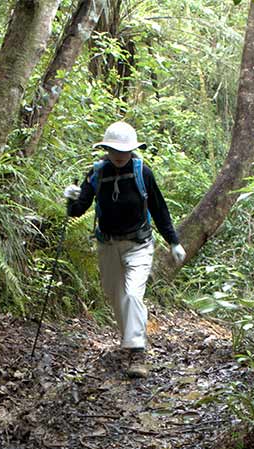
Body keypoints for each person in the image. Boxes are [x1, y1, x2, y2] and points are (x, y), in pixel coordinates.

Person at [63, 121, 186, 378]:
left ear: (132, 150)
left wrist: (173, 241)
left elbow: (159, 209)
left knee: (131, 295)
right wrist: (71, 198)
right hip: (107, 244)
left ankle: (136, 352)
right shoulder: (97, 172)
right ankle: (130, 338)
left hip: (139, 244)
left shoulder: (143, 172)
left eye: (124, 150)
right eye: (114, 150)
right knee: (115, 296)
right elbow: (78, 210)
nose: (119, 155)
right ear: (106, 149)